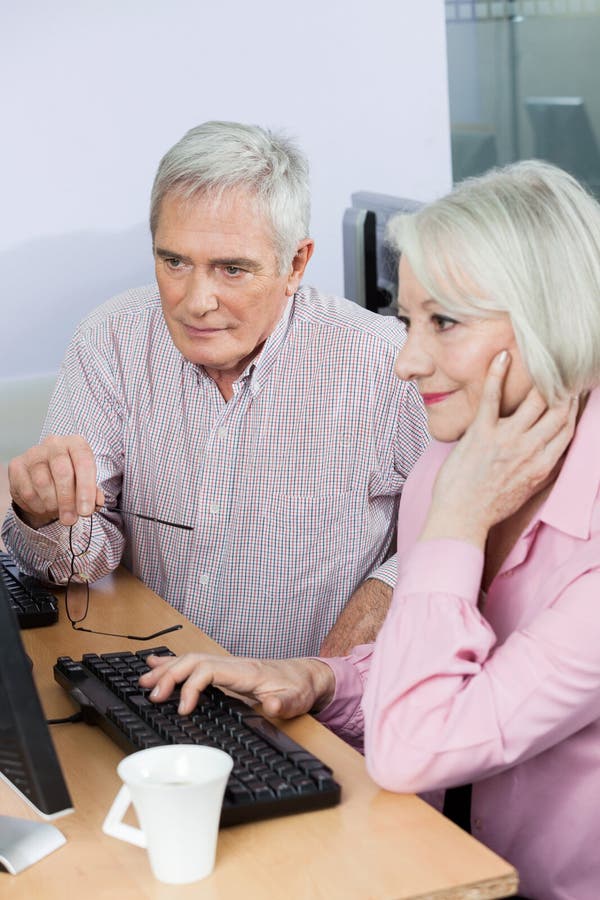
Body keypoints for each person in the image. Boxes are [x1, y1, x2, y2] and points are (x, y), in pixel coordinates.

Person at [139, 160, 600, 900]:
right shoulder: (447, 470)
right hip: (433, 861)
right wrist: (315, 679)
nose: (407, 362)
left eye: (444, 321)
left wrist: (455, 523)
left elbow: (415, 747)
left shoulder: (460, 493)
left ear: (554, 316)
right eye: (407, 320)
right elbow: (430, 671)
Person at [2, 121, 428, 658]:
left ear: (295, 263)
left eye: (231, 269)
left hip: (311, 711)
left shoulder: (385, 363)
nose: (196, 301)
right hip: (152, 683)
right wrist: (41, 515)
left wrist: (341, 655)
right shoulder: (109, 339)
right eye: (174, 261)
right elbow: (76, 563)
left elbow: (457, 532)